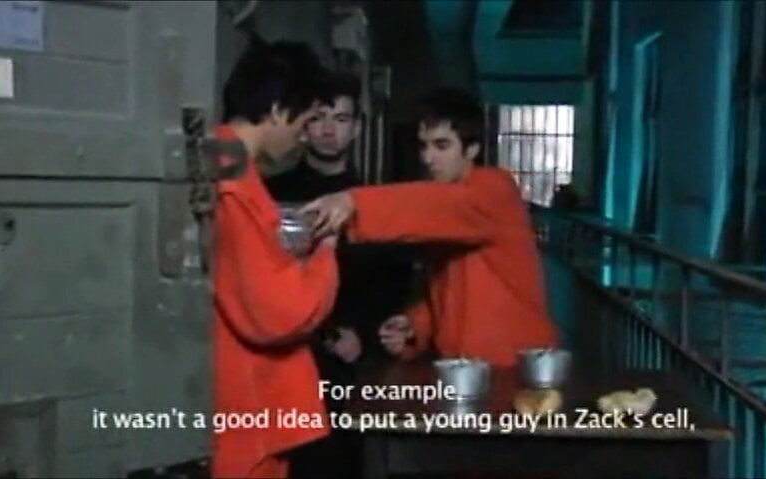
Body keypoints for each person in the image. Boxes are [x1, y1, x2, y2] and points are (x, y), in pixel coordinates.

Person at [300, 87, 559, 367]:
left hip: (517, 367)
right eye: (423, 146)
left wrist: (354, 203)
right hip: (464, 369)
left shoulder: (495, 190)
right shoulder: (446, 215)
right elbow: (450, 291)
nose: (428, 158)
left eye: (441, 146)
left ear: (472, 149)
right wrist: (415, 327)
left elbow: (440, 203)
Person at [264, 71, 414, 478]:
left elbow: (396, 286)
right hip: (285, 352)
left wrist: (364, 335)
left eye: (341, 119)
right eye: (319, 118)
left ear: (358, 127)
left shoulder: (376, 202)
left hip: (352, 362)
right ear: (303, 124)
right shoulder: (272, 194)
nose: (329, 130)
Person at [211, 40, 339, 479]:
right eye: (304, 123)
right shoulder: (232, 183)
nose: (305, 137)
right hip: (245, 404)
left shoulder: (223, 160)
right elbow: (279, 312)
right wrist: (325, 250)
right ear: (278, 111)